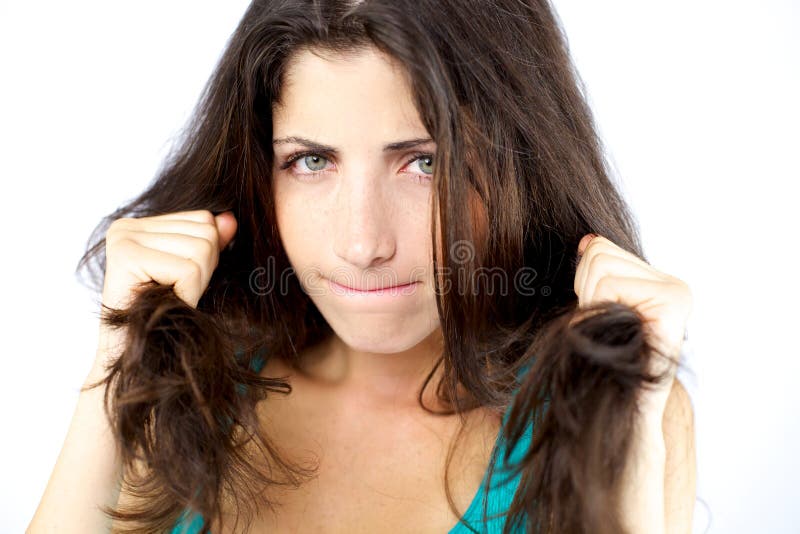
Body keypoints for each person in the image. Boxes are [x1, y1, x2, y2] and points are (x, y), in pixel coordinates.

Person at [28, 1, 696, 532]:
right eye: (311, 161)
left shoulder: (613, 408)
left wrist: (621, 408)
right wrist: (119, 359)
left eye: (424, 163)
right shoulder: (192, 387)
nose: (363, 243)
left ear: (521, 164)